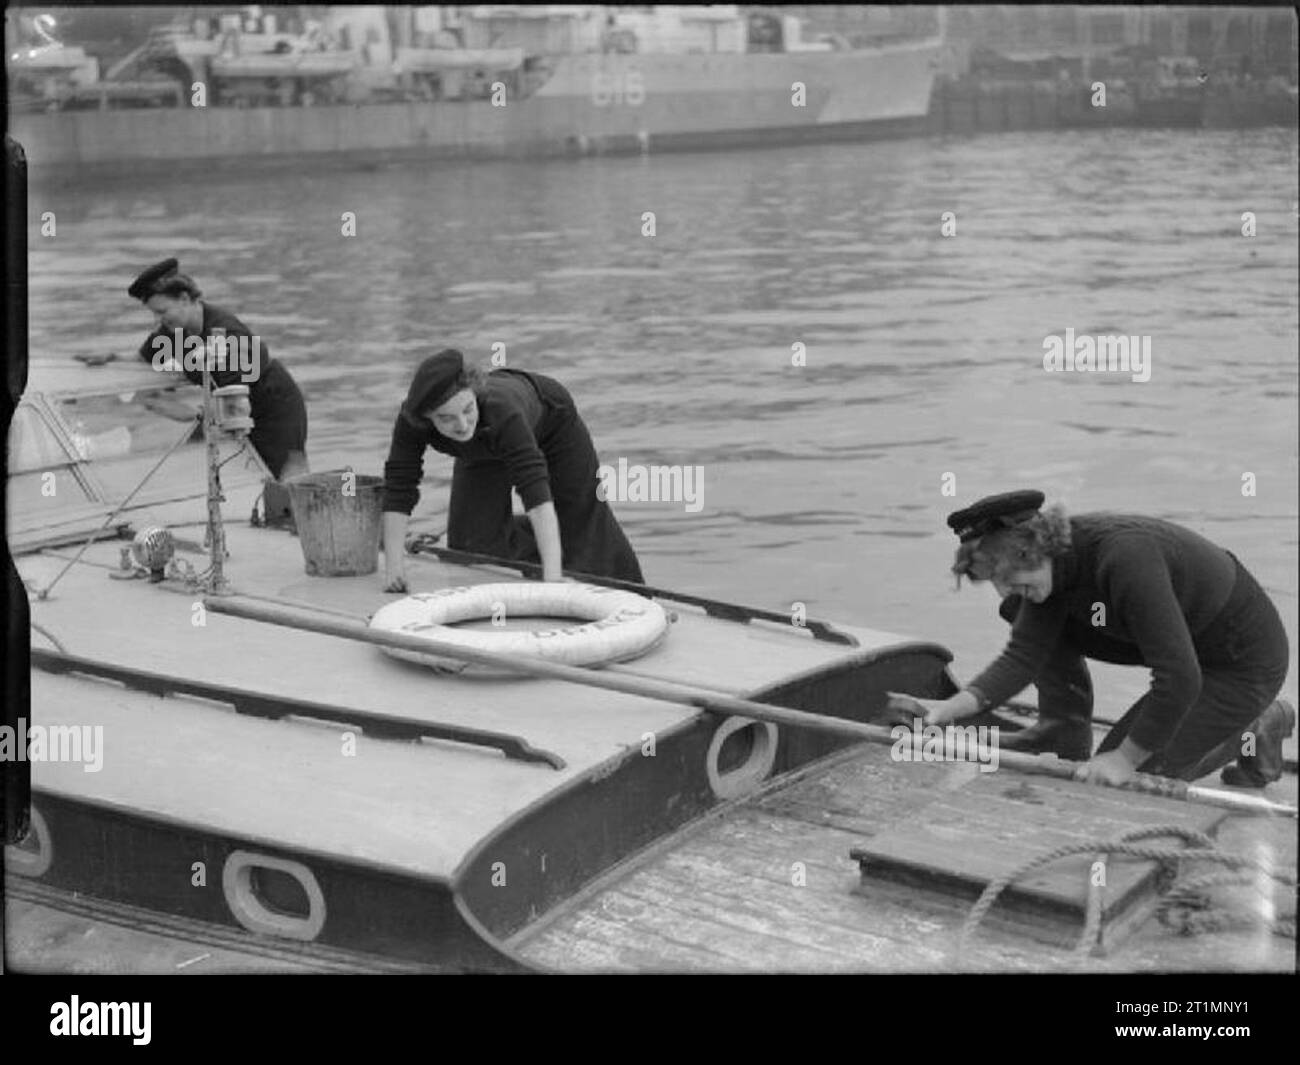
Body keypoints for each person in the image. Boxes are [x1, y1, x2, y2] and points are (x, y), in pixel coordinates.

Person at [887, 490, 1294, 789]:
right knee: (1022, 611)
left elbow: (1179, 675)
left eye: (1018, 582)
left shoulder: (1126, 558)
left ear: (1037, 552)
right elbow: (1021, 658)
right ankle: (1061, 731)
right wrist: (946, 711)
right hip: (1180, 642)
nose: (1012, 592)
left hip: (1239, 661)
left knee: (1134, 779)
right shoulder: (1051, 567)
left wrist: (1125, 758)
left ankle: (1256, 723)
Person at [381, 349, 644, 592]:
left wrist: (552, 580)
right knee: (470, 547)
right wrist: (394, 567)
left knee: (581, 527)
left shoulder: (501, 411)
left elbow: (534, 489)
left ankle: (626, 587)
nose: (461, 425)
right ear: (426, 417)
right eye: (446, 418)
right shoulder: (411, 421)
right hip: (483, 445)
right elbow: (399, 486)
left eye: (467, 409)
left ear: (475, 393)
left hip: (552, 427)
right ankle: (543, 540)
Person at [128, 258, 309, 484]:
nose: (158, 320)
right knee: (192, 463)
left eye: (162, 311)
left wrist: (184, 412)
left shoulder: (227, 333)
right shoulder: (171, 331)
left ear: (184, 299)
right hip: (221, 406)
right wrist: (108, 364)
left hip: (272, 407)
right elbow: (140, 363)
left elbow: (229, 403)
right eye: (154, 313)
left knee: (283, 481)